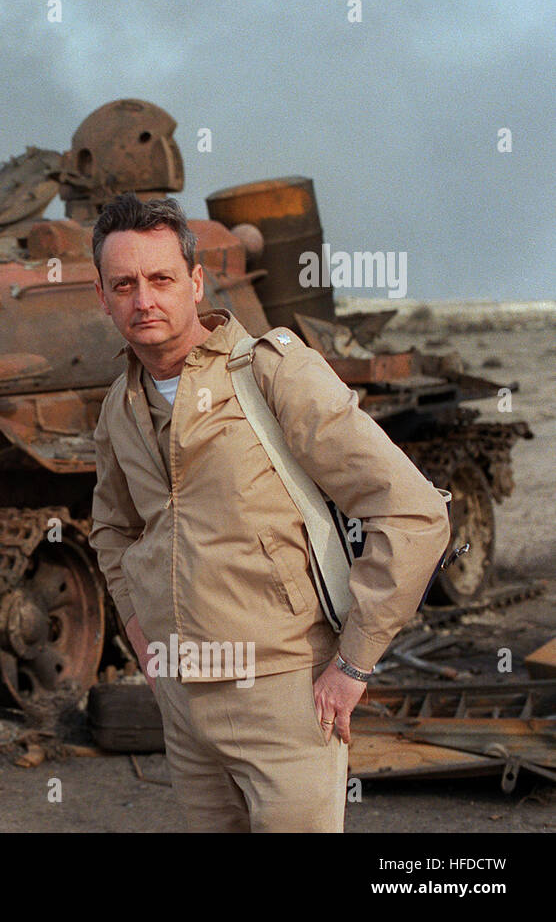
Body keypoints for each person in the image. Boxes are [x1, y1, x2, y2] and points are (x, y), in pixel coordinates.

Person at [88, 192, 451, 832]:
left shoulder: (271, 373)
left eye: (161, 279)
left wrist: (353, 664)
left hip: (285, 692)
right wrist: (141, 633)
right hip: (182, 699)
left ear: (195, 283)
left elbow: (413, 510)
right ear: (103, 297)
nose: (143, 299)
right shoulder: (120, 404)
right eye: (124, 284)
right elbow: (114, 530)